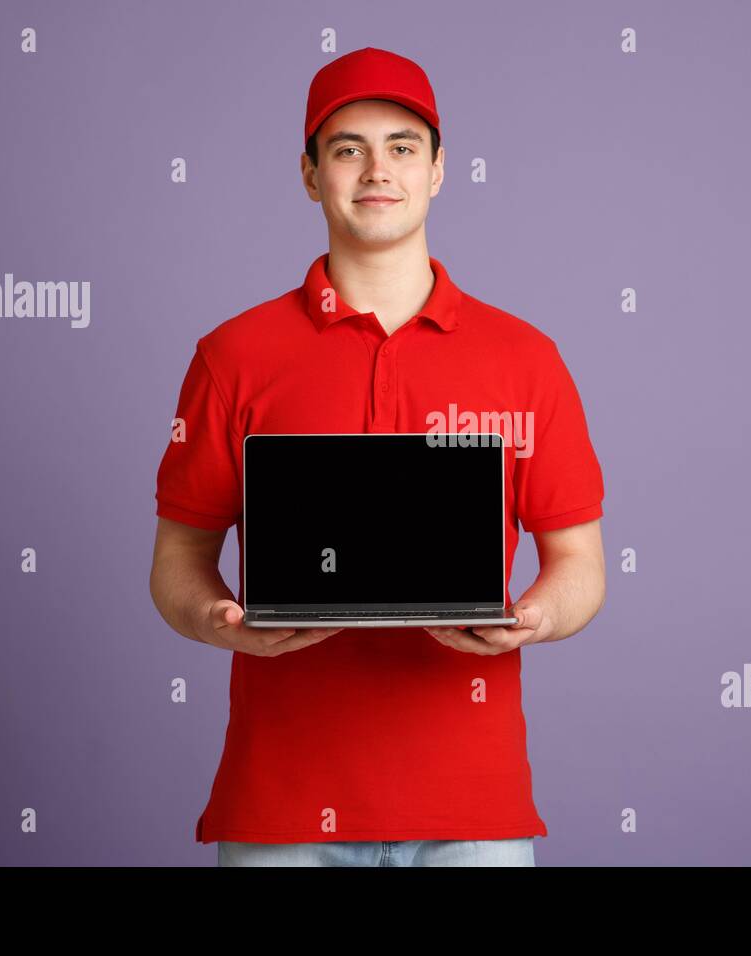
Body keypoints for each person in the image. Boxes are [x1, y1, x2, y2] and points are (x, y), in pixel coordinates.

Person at [149, 47, 606, 867]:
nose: (376, 170)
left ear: (437, 171)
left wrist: (536, 617)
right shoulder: (233, 356)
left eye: (402, 147)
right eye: (347, 148)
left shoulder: (526, 358)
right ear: (309, 172)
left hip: (474, 808)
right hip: (280, 805)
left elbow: (580, 564)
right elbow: (178, 562)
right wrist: (220, 624)